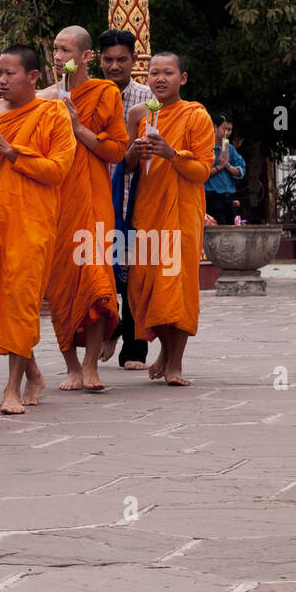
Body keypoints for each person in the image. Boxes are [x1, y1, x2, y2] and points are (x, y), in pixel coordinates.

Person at [0, 44, 75, 414]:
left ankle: (11, 388)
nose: (1, 80)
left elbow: (58, 169)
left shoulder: (52, 114)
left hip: (32, 223)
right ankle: (34, 374)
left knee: (20, 301)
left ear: (33, 77)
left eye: (10, 73)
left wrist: (13, 153)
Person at [37, 27, 124, 391]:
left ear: (87, 56)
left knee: (98, 282)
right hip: (56, 198)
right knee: (61, 283)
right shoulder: (43, 98)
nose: (58, 57)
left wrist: (77, 127)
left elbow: (117, 150)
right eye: (55, 50)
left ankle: (91, 365)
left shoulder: (105, 93)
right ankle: (71, 367)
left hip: (94, 198)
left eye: (65, 50)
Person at [123, 51, 213, 387]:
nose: (160, 79)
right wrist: (134, 150)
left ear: (182, 78)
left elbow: (202, 170)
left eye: (168, 73)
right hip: (147, 211)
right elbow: (129, 167)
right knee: (143, 287)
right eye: (154, 73)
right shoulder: (143, 117)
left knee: (176, 287)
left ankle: (175, 364)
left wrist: (171, 154)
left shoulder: (196, 117)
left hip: (182, 212)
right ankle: (163, 350)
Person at [97, 28, 151, 369]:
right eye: (108, 60)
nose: (114, 66)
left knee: (133, 270)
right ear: (97, 59)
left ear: (134, 60)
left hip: (135, 195)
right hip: (94, 193)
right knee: (98, 266)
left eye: (121, 60)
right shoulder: (85, 95)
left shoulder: (148, 99)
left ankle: (134, 349)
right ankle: (107, 327)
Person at [205, 113, 245, 224]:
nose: (227, 133)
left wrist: (227, 165)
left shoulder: (230, 149)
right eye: (225, 129)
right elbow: (200, 173)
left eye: (230, 130)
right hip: (211, 198)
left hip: (228, 198)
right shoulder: (205, 148)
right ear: (215, 127)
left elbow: (241, 170)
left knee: (231, 233)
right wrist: (219, 167)